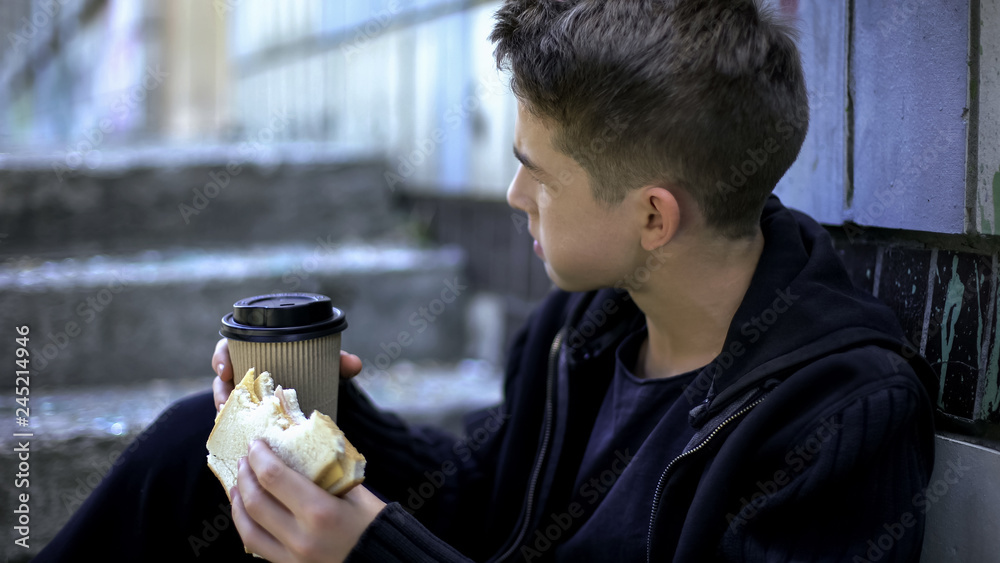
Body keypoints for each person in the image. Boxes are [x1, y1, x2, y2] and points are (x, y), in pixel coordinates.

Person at [34, 0, 937, 561]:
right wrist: (346, 434)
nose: (512, 195)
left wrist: (370, 552)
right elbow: (484, 500)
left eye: (539, 172)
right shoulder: (583, 323)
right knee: (209, 441)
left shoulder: (837, 417)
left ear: (654, 216)